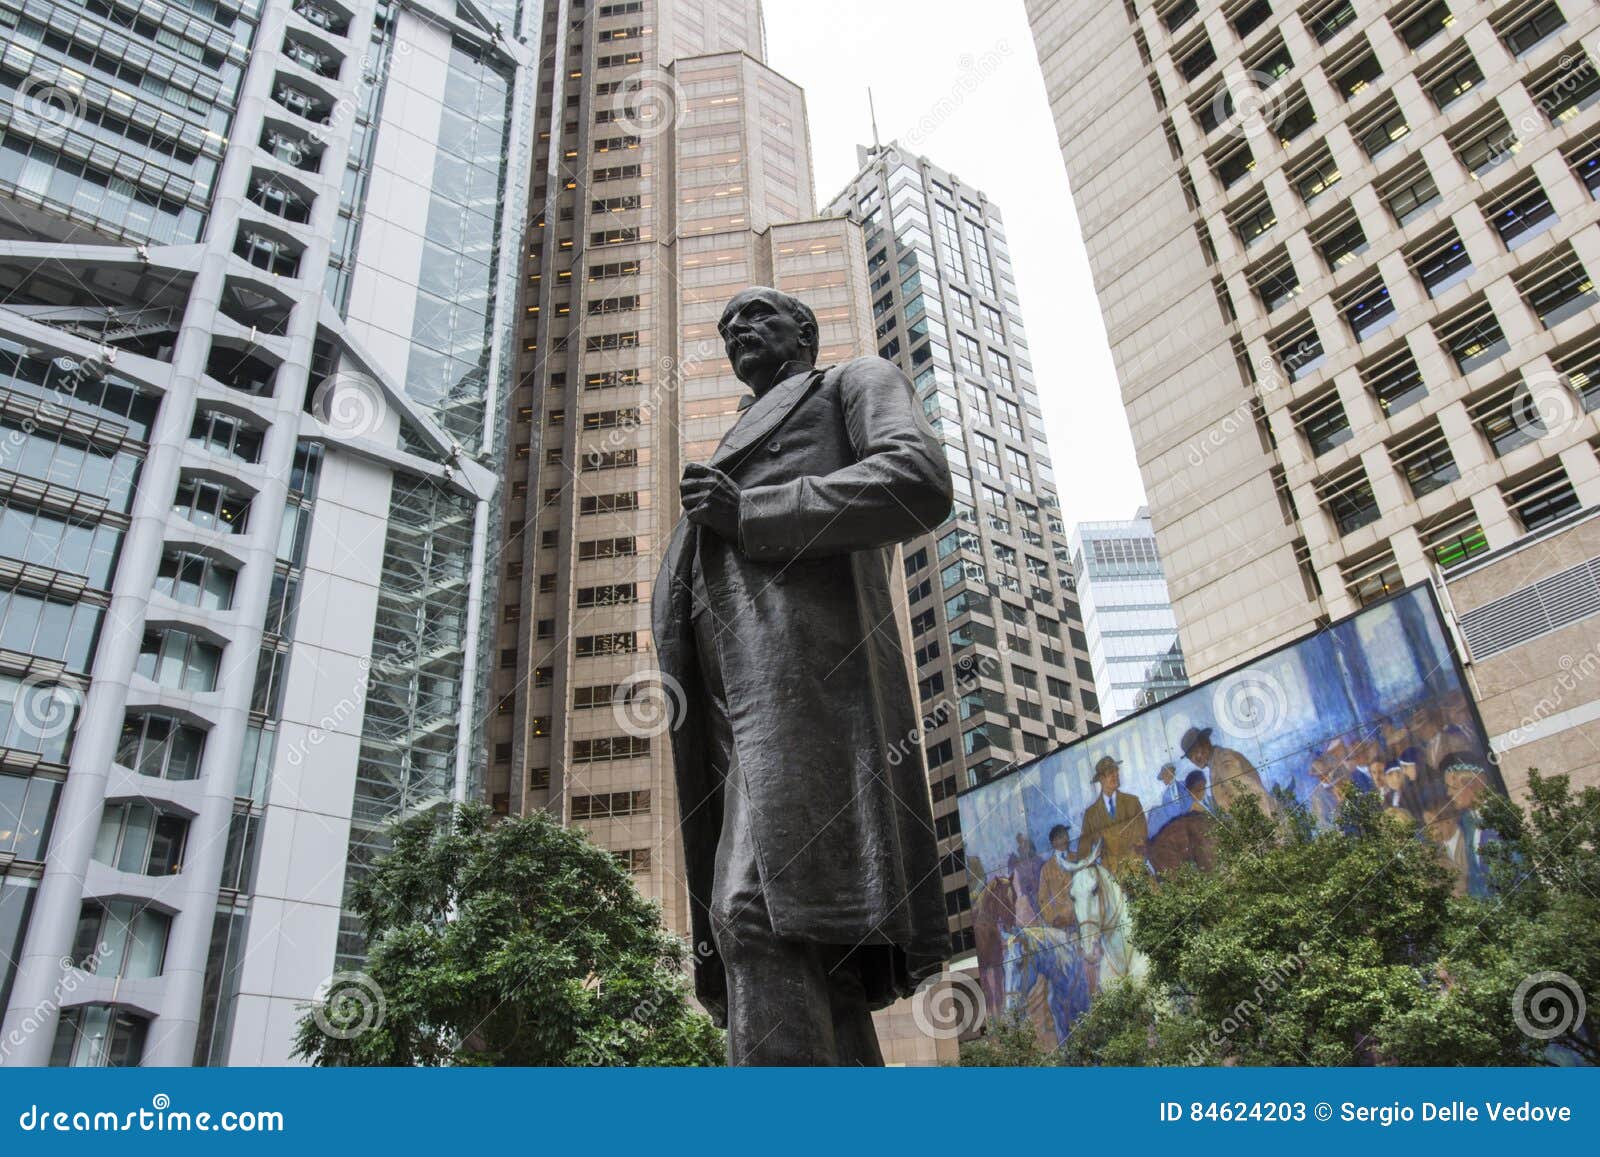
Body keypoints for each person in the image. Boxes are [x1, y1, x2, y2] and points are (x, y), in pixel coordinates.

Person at [652, 286, 954, 1065]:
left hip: (815, 703)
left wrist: (754, 509)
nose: (738, 329)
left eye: (758, 315)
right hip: (729, 722)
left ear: (806, 330)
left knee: (752, 911)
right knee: (816, 955)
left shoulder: (854, 381)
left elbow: (917, 478)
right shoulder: (735, 435)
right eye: (727, 325)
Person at [1078, 755, 1148, 873]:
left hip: (1137, 870)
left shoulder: (1133, 802)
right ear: (1101, 779)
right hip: (1109, 875)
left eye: (1116, 771)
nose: (1116, 775)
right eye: (1111, 773)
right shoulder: (1090, 815)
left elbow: (1142, 836)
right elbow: (1084, 851)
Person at [1181, 725, 1274, 814]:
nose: (1195, 758)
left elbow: (1246, 796)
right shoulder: (1214, 765)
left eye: (1196, 751)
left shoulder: (1224, 761)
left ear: (1206, 743)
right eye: (1190, 756)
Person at [1037, 823, 1094, 928]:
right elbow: (1042, 898)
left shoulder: (1078, 858)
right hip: (1061, 921)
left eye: (1066, 836)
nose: (1066, 839)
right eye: (1061, 837)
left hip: (1084, 916)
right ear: (1053, 843)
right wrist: (1053, 919)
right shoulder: (1046, 869)